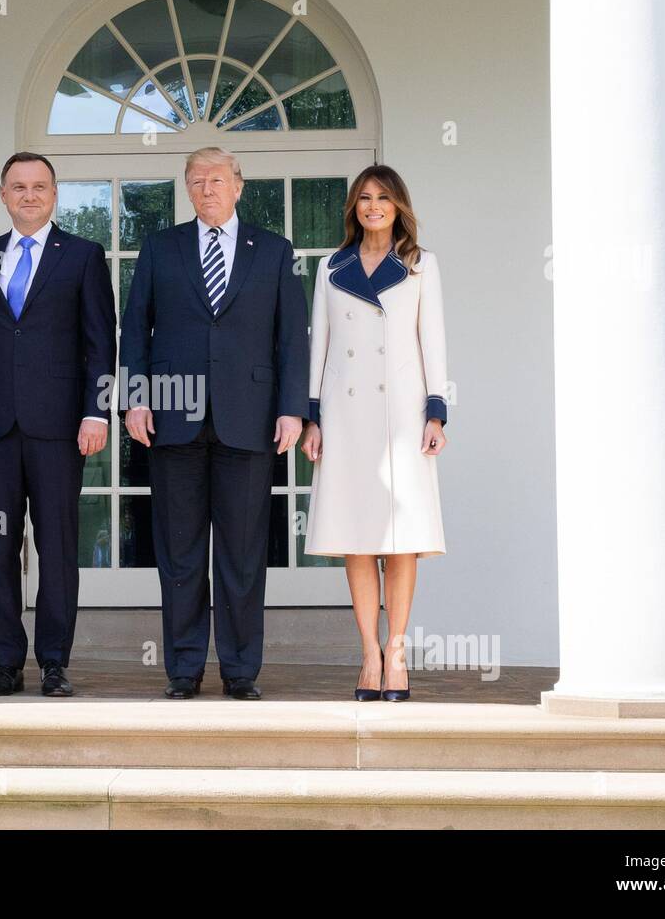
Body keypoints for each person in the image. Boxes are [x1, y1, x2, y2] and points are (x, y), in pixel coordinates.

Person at [121, 146, 309, 700]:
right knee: (179, 552)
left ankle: (240, 670)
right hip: (172, 419)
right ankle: (182, 669)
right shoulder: (161, 247)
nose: (207, 188)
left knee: (243, 554)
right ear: (187, 188)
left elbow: (290, 337)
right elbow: (135, 327)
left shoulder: (273, 252)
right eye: (197, 180)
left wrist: (292, 407)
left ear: (238, 186)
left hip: (249, 421)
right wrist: (134, 398)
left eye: (217, 179)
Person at [0, 151, 116, 697]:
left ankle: (53, 663)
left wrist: (97, 410)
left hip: (58, 428)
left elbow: (101, 344)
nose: (29, 195)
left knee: (57, 546)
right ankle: (4, 663)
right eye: (18, 186)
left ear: (54, 194)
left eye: (39, 186)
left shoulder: (84, 257)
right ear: (2, 194)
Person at [300, 164, 449, 702]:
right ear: (354, 208)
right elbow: (319, 343)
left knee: (401, 539)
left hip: (403, 415)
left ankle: (399, 650)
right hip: (345, 413)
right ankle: (369, 651)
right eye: (364, 198)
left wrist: (437, 410)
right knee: (358, 539)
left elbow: (431, 340)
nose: (373, 206)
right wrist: (312, 415)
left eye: (383, 198)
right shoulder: (330, 268)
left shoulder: (420, 265)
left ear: (399, 205)